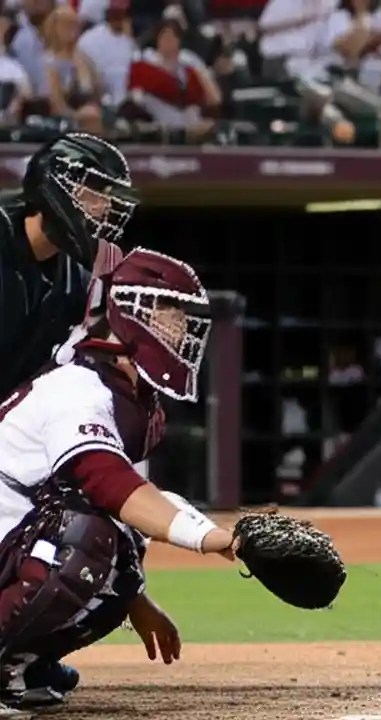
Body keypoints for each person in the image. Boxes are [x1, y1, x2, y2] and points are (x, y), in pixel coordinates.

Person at [0, 247, 237, 710]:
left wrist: (134, 598)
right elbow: (109, 484)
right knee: (89, 535)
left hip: (9, 539)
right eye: (170, 313)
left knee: (124, 556)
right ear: (132, 313)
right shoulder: (78, 388)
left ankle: (17, 665)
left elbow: (127, 505)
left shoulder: (129, 396)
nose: (180, 328)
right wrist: (212, 538)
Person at [0, 132, 136, 399]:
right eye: (95, 194)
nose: (105, 209)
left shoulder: (77, 283)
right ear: (55, 186)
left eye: (110, 199)